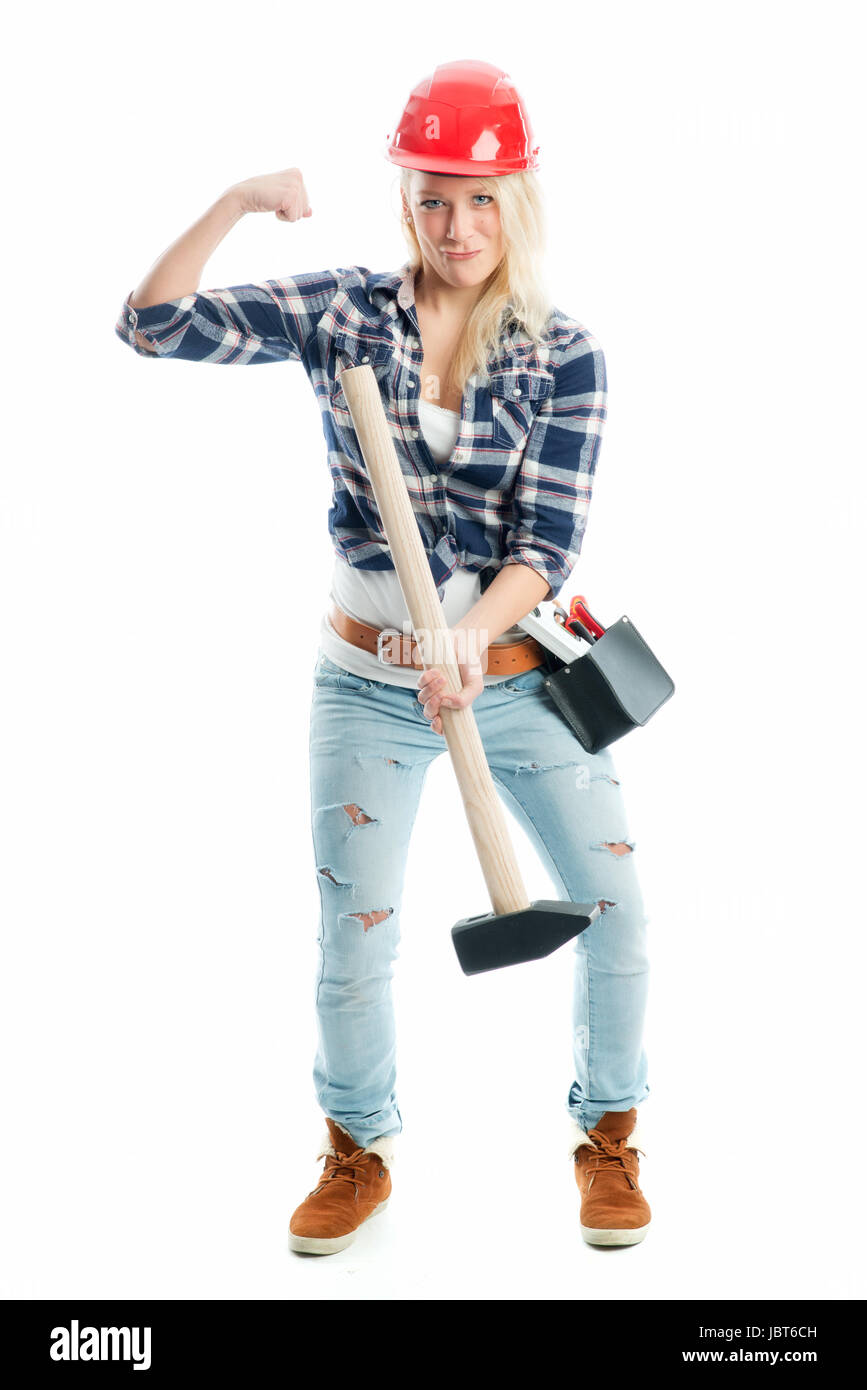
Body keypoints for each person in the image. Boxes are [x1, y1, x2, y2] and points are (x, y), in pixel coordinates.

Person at [115, 59, 652, 1255]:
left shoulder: (566, 352)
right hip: (366, 682)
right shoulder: (343, 312)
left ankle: (609, 1130)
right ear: (403, 197)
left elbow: (547, 543)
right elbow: (149, 325)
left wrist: (466, 636)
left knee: (617, 906)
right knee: (354, 928)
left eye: (479, 197)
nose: (456, 227)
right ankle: (358, 1146)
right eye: (431, 197)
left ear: (518, 198)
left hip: (514, 682)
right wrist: (240, 201)